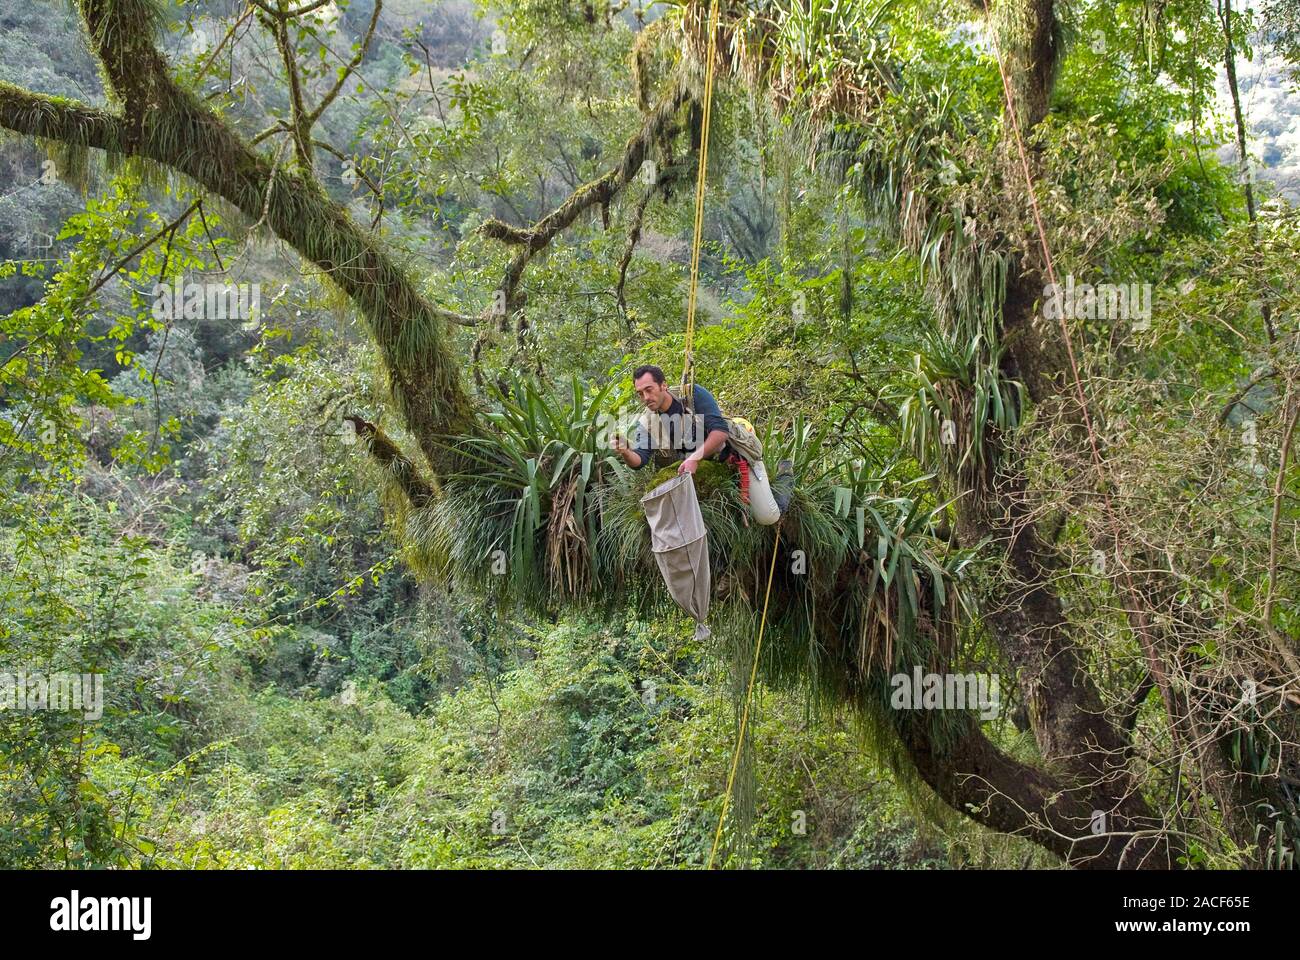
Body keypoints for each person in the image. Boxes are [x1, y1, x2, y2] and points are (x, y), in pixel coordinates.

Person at [612, 364, 791, 524]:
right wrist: (626, 452)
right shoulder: (647, 421)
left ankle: (785, 473)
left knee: (768, 517)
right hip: (706, 465)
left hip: (736, 454)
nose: (645, 397)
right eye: (640, 393)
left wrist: (695, 458)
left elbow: (720, 432)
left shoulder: (691, 395)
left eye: (649, 390)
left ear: (663, 385)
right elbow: (640, 460)